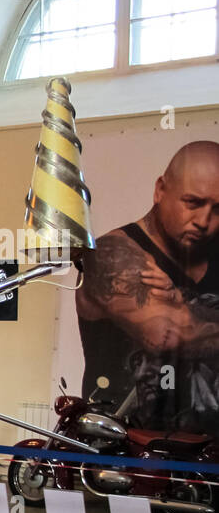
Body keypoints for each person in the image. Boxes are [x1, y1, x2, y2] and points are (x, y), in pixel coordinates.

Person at [76, 140, 219, 434]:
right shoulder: (112, 254)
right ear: (160, 190)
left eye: (217, 209)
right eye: (192, 203)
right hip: (122, 447)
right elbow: (167, 335)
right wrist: (186, 317)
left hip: (206, 453)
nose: (203, 221)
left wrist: (188, 310)